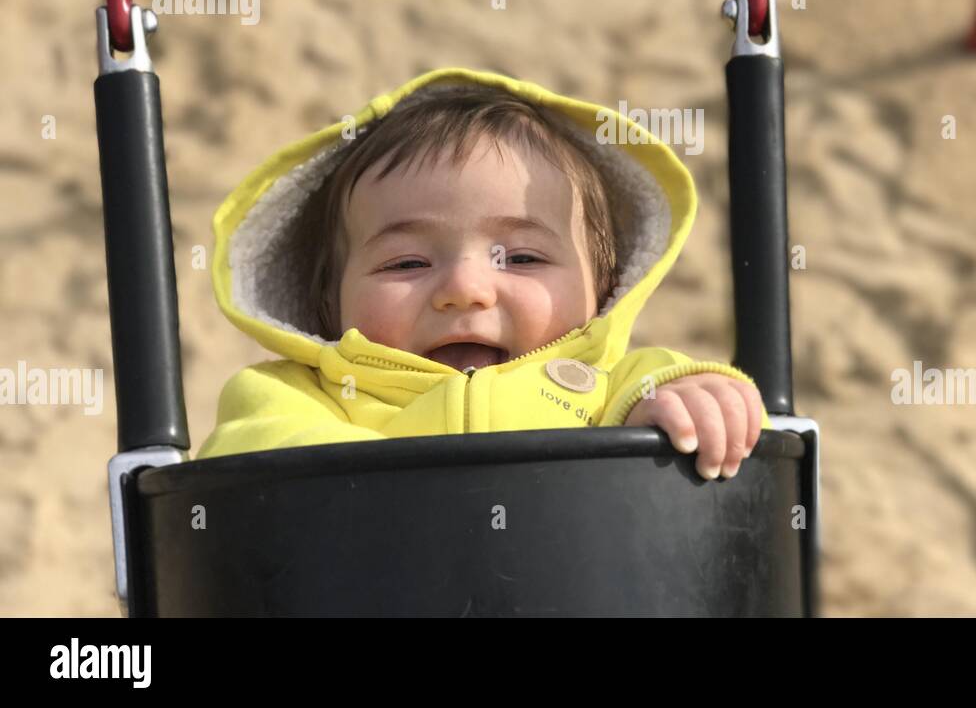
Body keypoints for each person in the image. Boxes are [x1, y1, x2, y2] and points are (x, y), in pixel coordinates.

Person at [195, 67, 769, 481]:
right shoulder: (295, 397)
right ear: (329, 299)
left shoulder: (623, 386)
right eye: (407, 263)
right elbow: (250, 471)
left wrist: (686, 408)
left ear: (603, 288)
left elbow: (711, 403)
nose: (465, 290)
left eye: (521, 258)